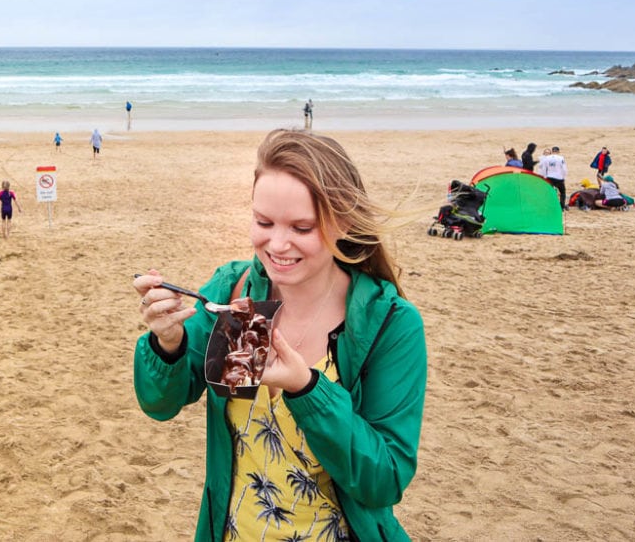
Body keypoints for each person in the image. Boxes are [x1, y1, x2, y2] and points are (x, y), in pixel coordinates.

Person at [132, 129, 426, 542]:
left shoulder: (386, 323)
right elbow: (161, 403)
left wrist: (306, 389)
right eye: (263, 222)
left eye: (302, 228)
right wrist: (168, 345)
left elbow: (384, 479)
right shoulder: (237, 298)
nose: (278, 244)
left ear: (341, 222)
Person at [537, 145, 568, 210]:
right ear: (558, 151)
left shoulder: (547, 158)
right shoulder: (561, 158)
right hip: (559, 177)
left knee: (549, 192)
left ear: (552, 151)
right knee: (562, 192)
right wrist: (564, 177)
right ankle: (561, 207)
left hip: (549, 177)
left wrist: (545, 177)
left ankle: (548, 205)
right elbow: (564, 169)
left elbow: (544, 169)